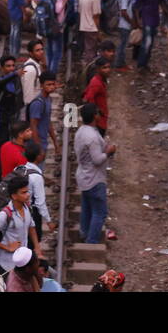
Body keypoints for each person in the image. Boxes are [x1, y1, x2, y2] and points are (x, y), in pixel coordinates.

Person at [0, 174, 40, 275]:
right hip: (7, 265)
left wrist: (37, 247)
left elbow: (31, 226)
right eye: (23, 192)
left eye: (27, 191)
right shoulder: (5, 214)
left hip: (22, 263)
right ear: (14, 196)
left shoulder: (27, 208)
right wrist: (7, 247)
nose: (28, 195)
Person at [74, 102, 115, 244]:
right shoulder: (92, 137)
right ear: (94, 116)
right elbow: (97, 160)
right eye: (97, 112)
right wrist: (109, 152)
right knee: (100, 212)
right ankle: (91, 241)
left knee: (87, 208)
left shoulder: (81, 131)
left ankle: (83, 233)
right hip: (94, 179)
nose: (99, 114)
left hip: (84, 176)